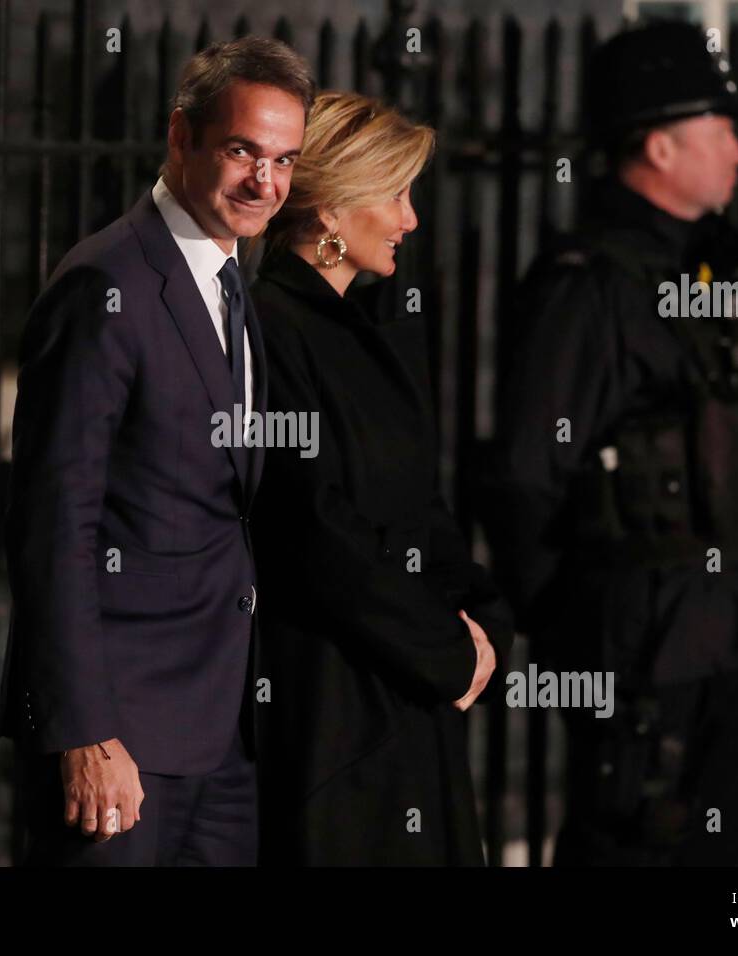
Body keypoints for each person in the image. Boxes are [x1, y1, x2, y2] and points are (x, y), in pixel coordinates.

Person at [480, 20, 738, 866]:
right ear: (661, 147)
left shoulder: (724, 269)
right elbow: (525, 477)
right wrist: (574, 629)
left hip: (730, 635)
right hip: (640, 654)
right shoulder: (590, 287)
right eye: (721, 130)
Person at [0, 36, 313, 866]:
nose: (265, 183)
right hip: (119, 740)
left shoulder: (232, 282)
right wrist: (86, 734)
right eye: (243, 150)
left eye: (284, 160)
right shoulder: (106, 282)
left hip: (221, 732)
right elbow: (50, 523)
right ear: (181, 137)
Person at [249, 91, 514, 866]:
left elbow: (417, 506)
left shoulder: (363, 329)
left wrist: (481, 621)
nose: (410, 220)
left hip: (403, 696)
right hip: (335, 714)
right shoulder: (271, 327)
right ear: (330, 210)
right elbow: (312, 526)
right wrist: (445, 647)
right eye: (395, 195)